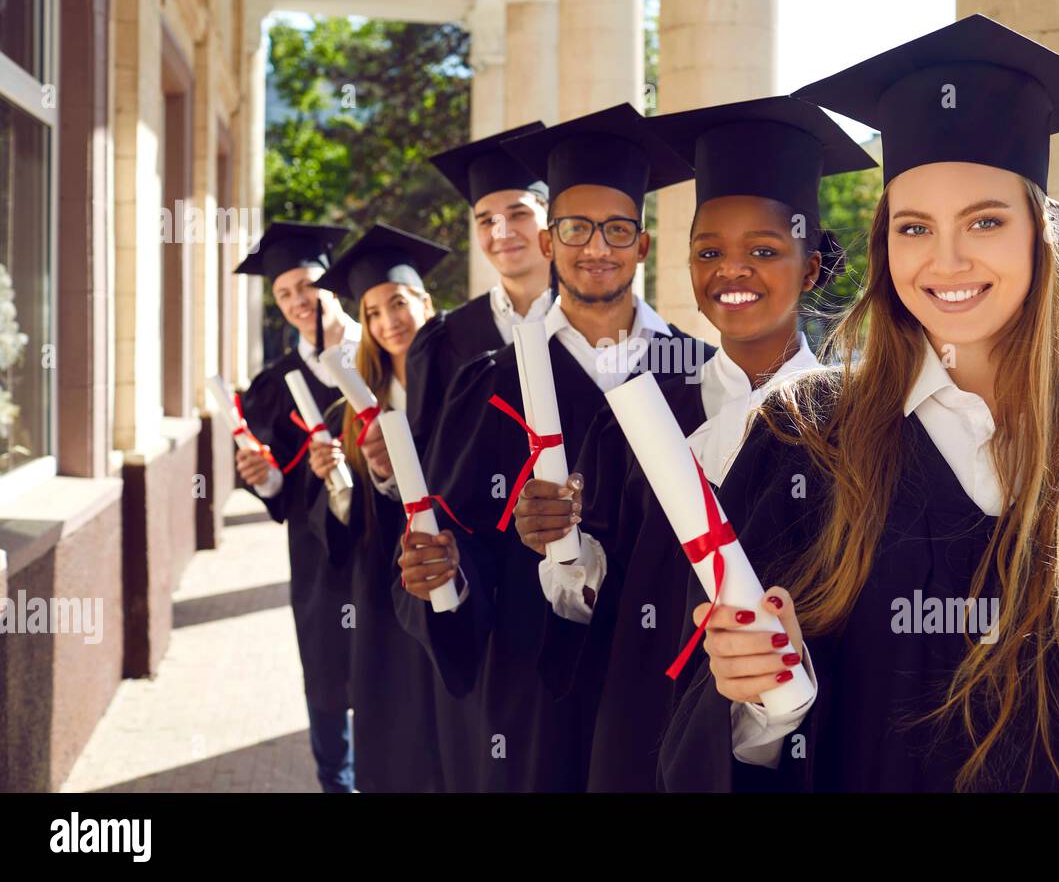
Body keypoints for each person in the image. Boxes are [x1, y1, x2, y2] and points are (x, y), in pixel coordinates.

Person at [660, 14, 1059, 792]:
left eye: (984, 220)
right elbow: (721, 735)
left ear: (1042, 235)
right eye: (915, 227)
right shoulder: (805, 438)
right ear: (885, 245)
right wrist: (753, 703)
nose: (946, 260)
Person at [510, 96, 876, 790]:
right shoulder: (639, 408)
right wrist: (562, 547)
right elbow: (600, 598)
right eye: (708, 251)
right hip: (636, 733)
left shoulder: (859, 426)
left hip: (785, 756)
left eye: (764, 251)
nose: (730, 272)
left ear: (814, 267)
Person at [393, 102, 713, 791]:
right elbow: (461, 536)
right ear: (548, 242)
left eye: (617, 229)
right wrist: (445, 573)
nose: (596, 247)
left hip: (661, 683)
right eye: (574, 228)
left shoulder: (700, 375)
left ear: (642, 245)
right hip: (533, 692)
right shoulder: (491, 383)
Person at [304, 222, 452, 792]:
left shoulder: (463, 379)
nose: (388, 320)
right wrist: (339, 476)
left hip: (454, 573)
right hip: (386, 591)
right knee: (396, 731)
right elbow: (350, 518)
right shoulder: (358, 396)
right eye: (371, 312)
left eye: (398, 302)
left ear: (425, 302)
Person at [232, 220, 358, 793]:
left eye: (305, 285)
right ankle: (336, 782)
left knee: (393, 670)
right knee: (326, 672)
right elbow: (276, 479)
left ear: (330, 283)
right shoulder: (277, 382)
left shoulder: (383, 352)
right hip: (316, 550)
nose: (296, 301)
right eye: (283, 294)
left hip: (386, 543)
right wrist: (266, 480)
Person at [404, 123, 554, 454]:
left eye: (518, 214)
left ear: (550, 219)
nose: (502, 232)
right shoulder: (446, 338)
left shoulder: (588, 322)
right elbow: (431, 457)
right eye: (487, 221)